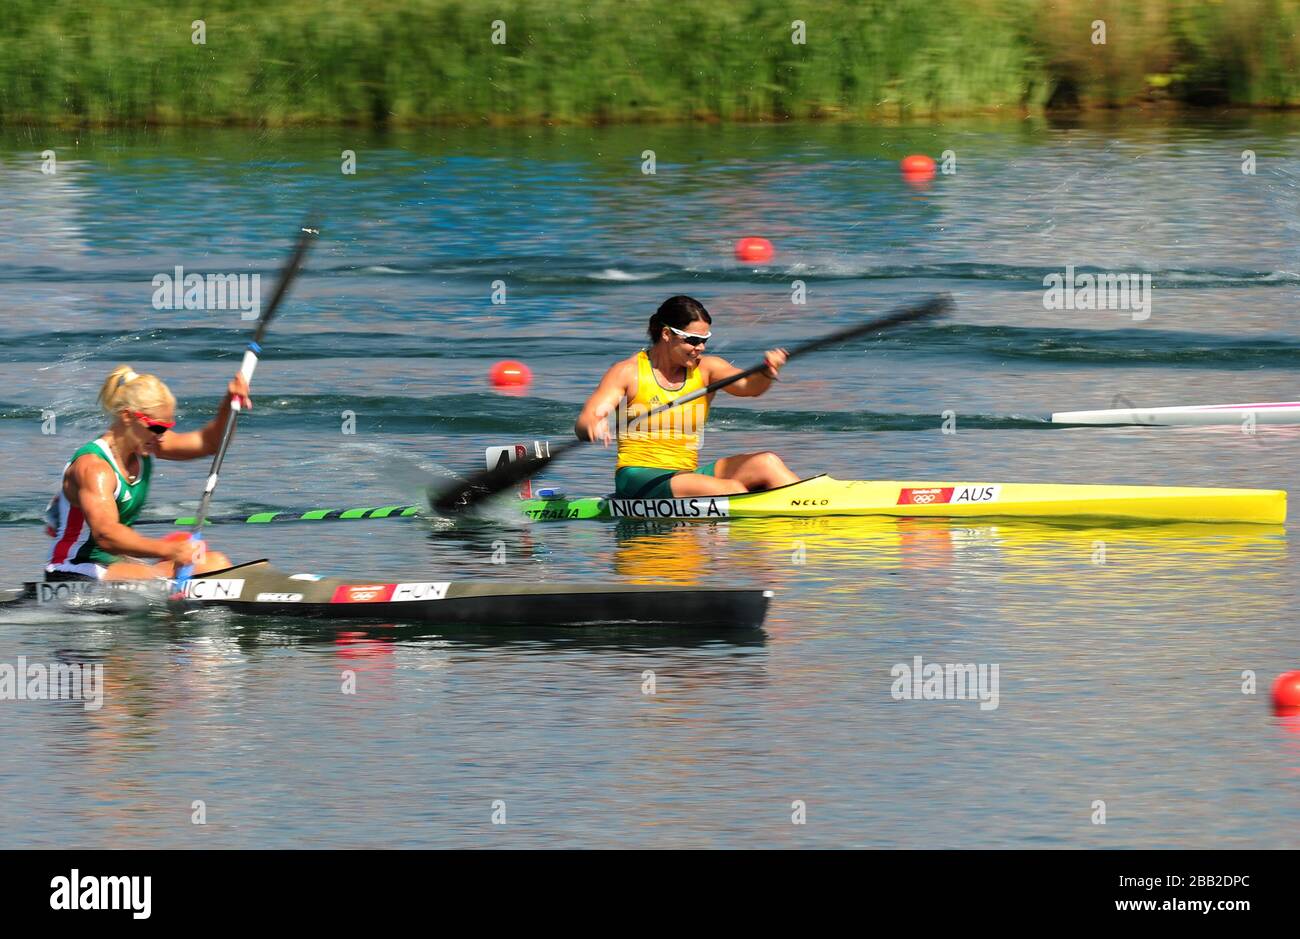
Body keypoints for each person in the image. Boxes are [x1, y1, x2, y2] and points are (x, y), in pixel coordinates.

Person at [575, 295, 799, 499]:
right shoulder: (628, 371)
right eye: (692, 340)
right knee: (733, 490)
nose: (700, 347)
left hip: (685, 473)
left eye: (705, 340)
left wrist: (767, 373)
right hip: (637, 476)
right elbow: (588, 418)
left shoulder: (707, 369)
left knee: (767, 463)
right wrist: (595, 424)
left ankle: (811, 507)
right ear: (666, 334)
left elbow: (750, 387)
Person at [44, 364, 251, 581]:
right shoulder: (94, 467)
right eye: (158, 427)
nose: (162, 436)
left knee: (214, 563)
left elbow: (209, 443)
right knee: (176, 573)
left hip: (114, 564)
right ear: (127, 416)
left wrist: (229, 404)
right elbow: (106, 535)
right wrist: (169, 550)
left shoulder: (146, 443)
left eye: (167, 427)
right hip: (70, 569)